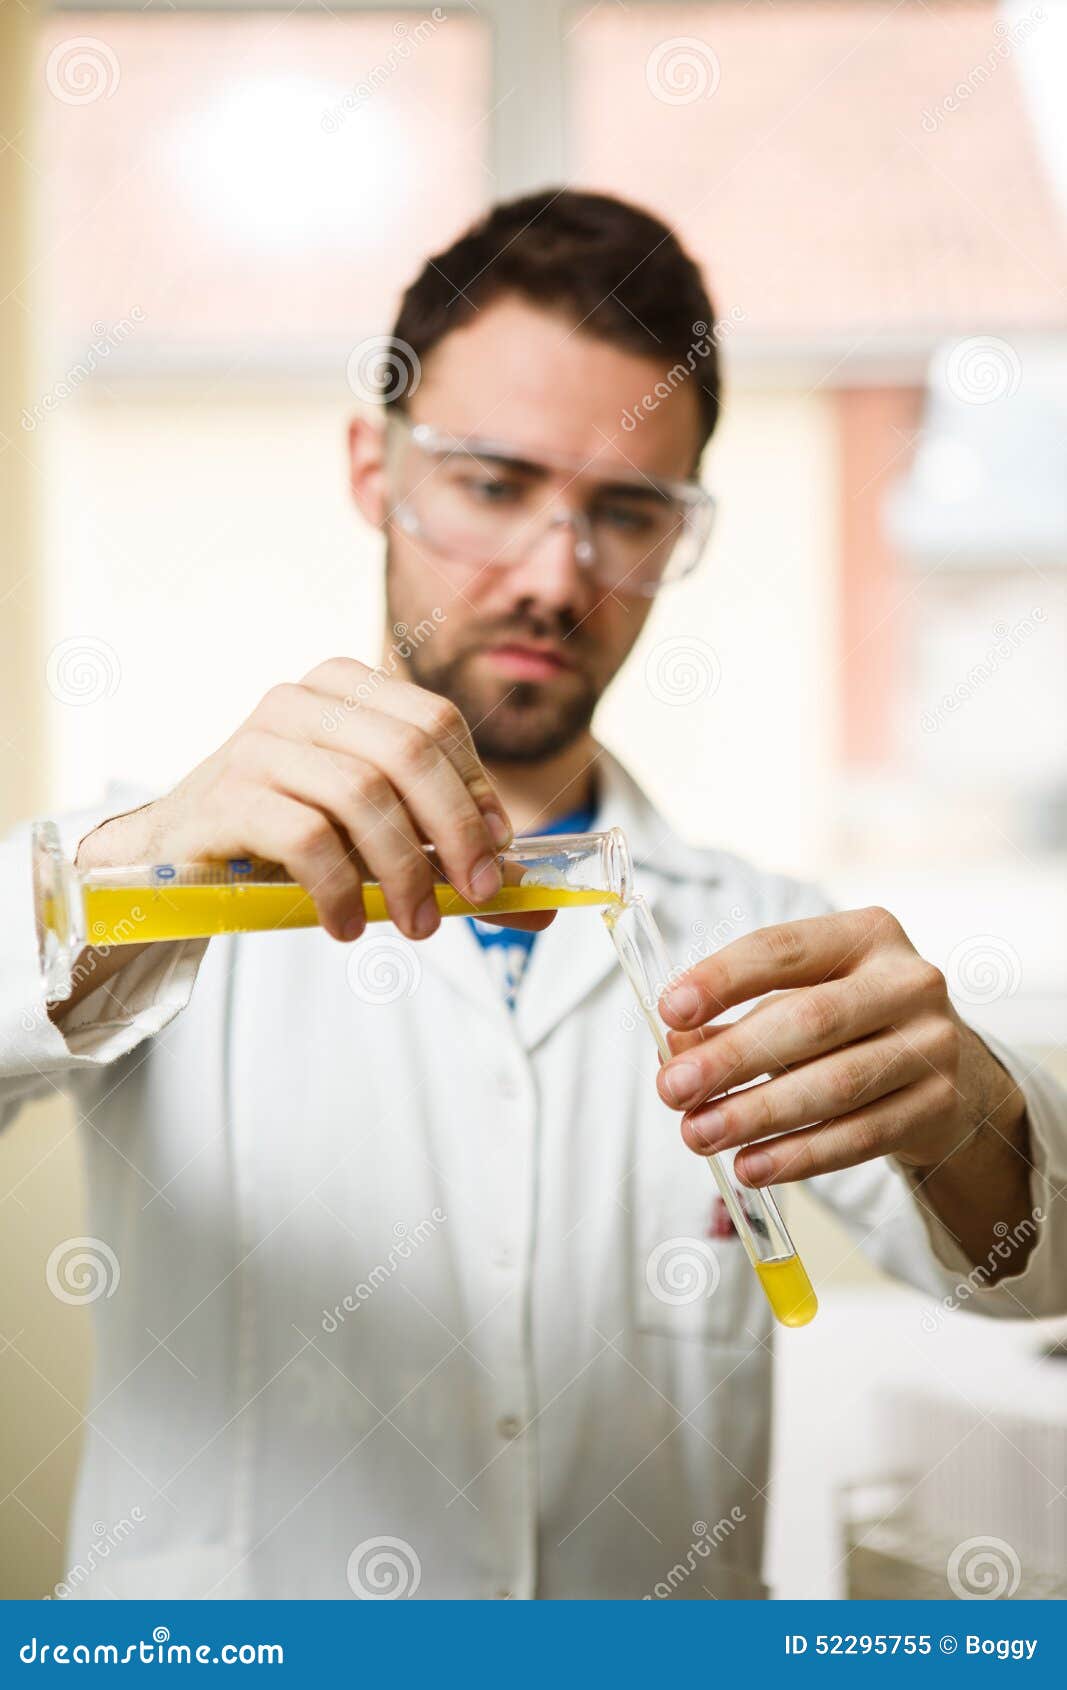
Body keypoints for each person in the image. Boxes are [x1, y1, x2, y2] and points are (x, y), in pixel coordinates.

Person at [2, 190, 1064, 1602]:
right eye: (496, 485)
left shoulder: (758, 934)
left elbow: (1025, 1267)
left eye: (625, 511)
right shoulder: (173, 871)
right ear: (375, 467)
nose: (556, 575)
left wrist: (977, 1107)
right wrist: (134, 869)